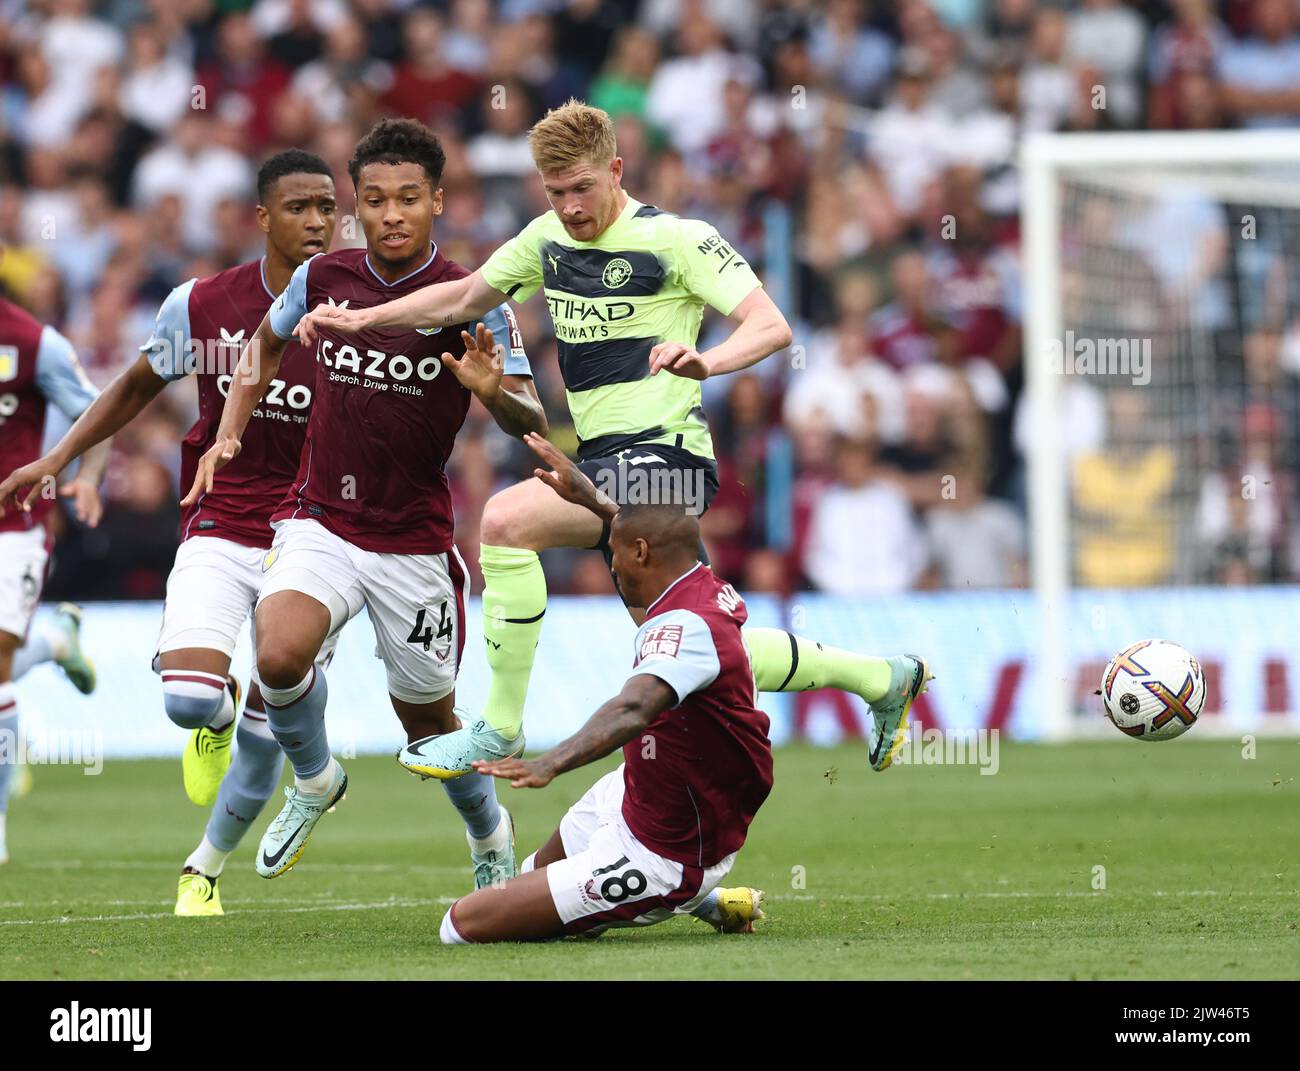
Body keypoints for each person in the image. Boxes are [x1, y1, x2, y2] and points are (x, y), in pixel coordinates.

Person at [294, 99, 928, 780]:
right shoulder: (545, 240)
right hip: (600, 462)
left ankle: (498, 729)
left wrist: (705, 362)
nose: (569, 206)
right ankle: (882, 676)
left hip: (669, 460)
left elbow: (771, 325)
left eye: (582, 188)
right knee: (697, 642)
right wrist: (364, 320)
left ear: (617, 170)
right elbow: (458, 300)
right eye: (556, 191)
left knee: (505, 521)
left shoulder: (678, 239)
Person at [182, 118, 548, 887]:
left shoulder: (474, 297)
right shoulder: (321, 279)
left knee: (429, 729)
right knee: (276, 654)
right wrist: (227, 431)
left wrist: (494, 394)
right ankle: (314, 778)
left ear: (438, 201)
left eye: (407, 199)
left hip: (412, 543)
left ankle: (489, 831)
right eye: (373, 200)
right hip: (321, 521)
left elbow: (535, 422)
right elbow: (263, 346)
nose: (389, 215)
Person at [0, 150, 343, 912]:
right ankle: (213, 720)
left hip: (318, 535)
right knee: (189, 701)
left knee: (269, 735)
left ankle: (203, 869)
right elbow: (133, 385)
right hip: (222, 516)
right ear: (263, 218)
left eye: (328, 206)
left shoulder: (362, 312)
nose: (317, 221)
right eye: (299, 207)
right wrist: (60, 457)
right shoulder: (199, 305)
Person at [444, 491, 772, 943]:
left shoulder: (688, 625)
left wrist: (550, 763)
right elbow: (651, 523)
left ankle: (687, 893)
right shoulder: (698, 582)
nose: (611, 565)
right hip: (636, 792)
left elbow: (634, 707)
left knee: (461, 926)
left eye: (613, 551)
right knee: (526, 876)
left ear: (640, 551)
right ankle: (705, 901)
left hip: (665, 854)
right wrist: (584, 491)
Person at [0, 292, 107, 866]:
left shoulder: (34, 342)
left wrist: (89, 474)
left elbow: (99, 410)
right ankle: (56, 643)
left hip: (12, 526)